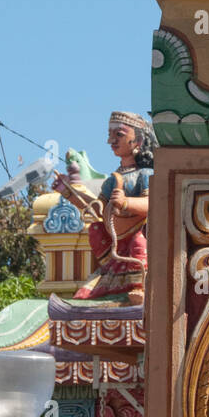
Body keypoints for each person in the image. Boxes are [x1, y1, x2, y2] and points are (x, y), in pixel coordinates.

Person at [53, 110, 154, 305]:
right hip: (117, 242)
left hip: (140, 234)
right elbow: (98, 209)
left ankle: (139, 286)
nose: (111, 141)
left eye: (119, 135)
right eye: (110, 135)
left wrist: (126, 202)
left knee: (139, 242)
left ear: (138, 140)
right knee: (96, 229)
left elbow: (152, 204)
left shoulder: (145, 174)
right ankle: (114, 277)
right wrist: (67, 191)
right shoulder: (113, 179)